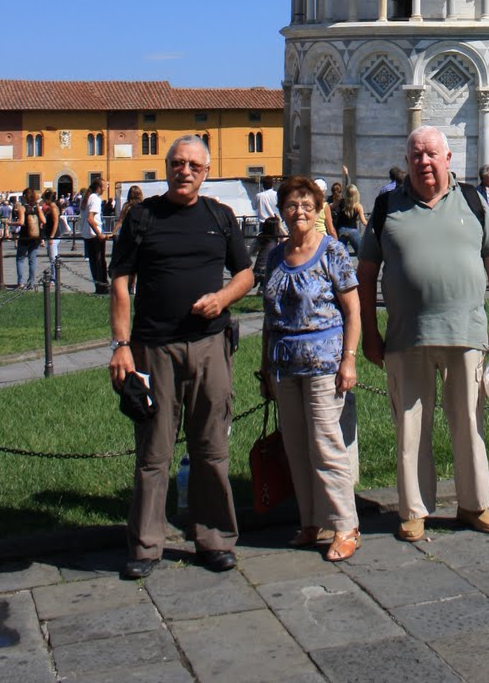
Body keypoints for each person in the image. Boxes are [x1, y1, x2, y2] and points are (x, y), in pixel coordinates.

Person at [109, 135, 253, 579]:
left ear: (206, 172)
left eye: (193, 165)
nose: (184, 171)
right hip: (154, 349)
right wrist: (121, 345)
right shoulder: (143, 217)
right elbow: (120, 281)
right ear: (167, 167)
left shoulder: (220, 216)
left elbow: (246, 273)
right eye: (177, 163)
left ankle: (213, 539)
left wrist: (223, 298)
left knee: (212, 448)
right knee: (154, 451)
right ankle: (146, 545)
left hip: (210, 345)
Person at [357, 125, 489, 541]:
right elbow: (366, 272)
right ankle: (414, 510)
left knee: (468, 422)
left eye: (430, 154)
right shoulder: (388, 205)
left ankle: (475, 504)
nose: (423, 162)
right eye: (415, 156)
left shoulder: (474, 202)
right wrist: (370, 333)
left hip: (467, 333)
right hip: (407, 336)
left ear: (448, 159)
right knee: (410, 427)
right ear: (407, 163)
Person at [259, 176, 361, 562]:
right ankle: (311, 521)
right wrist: (265, 366)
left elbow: (352, 309)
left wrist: (349, 358)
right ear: (281, 212)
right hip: (284, 365)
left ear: (318, 210)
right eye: (291, 205)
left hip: (324, 364)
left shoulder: (333, 251)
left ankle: (346, 525)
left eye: (306, 205)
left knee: (325, 444)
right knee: (296, 447)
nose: (298, 211)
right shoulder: (275, 256)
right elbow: (270, 317)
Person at [85, 174, 110, 294]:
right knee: (100, 262)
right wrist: (99, 233)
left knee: (94, 262)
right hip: (95, 235)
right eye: (104, 185)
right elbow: (90, 218)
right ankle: (102, 287)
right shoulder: (95, 199)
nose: (106, 187)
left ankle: (99, 287)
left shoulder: (89, 197)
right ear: (99, 187)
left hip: (88, 235)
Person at [16, 188, 42, 290]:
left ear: (25, 197)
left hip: (24, 236)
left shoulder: (22, 208)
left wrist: (10, 223)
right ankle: (31, 282)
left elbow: (21, 222)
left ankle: (21, 282)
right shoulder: (37, 207)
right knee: (32, 261)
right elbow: (43, 220)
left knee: (20, 260)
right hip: (35, 237)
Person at [335, 184, 366, 255]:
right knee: (360, 252)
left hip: (342, 229)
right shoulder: (358, 206)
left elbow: (332, 206)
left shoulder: (341, 201)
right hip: (353, 230)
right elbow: (364, 221)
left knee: (342, 253)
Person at [41, 187, 61, 270]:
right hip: (50, 234)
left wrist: (52, 236)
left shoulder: (53, 208)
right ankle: (54, 277)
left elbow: (55, 222)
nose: (44, 201)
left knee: (53, 258)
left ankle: (54, 278)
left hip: (53, 235)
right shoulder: (51, 207)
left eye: (45, 199)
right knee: (51, 257)